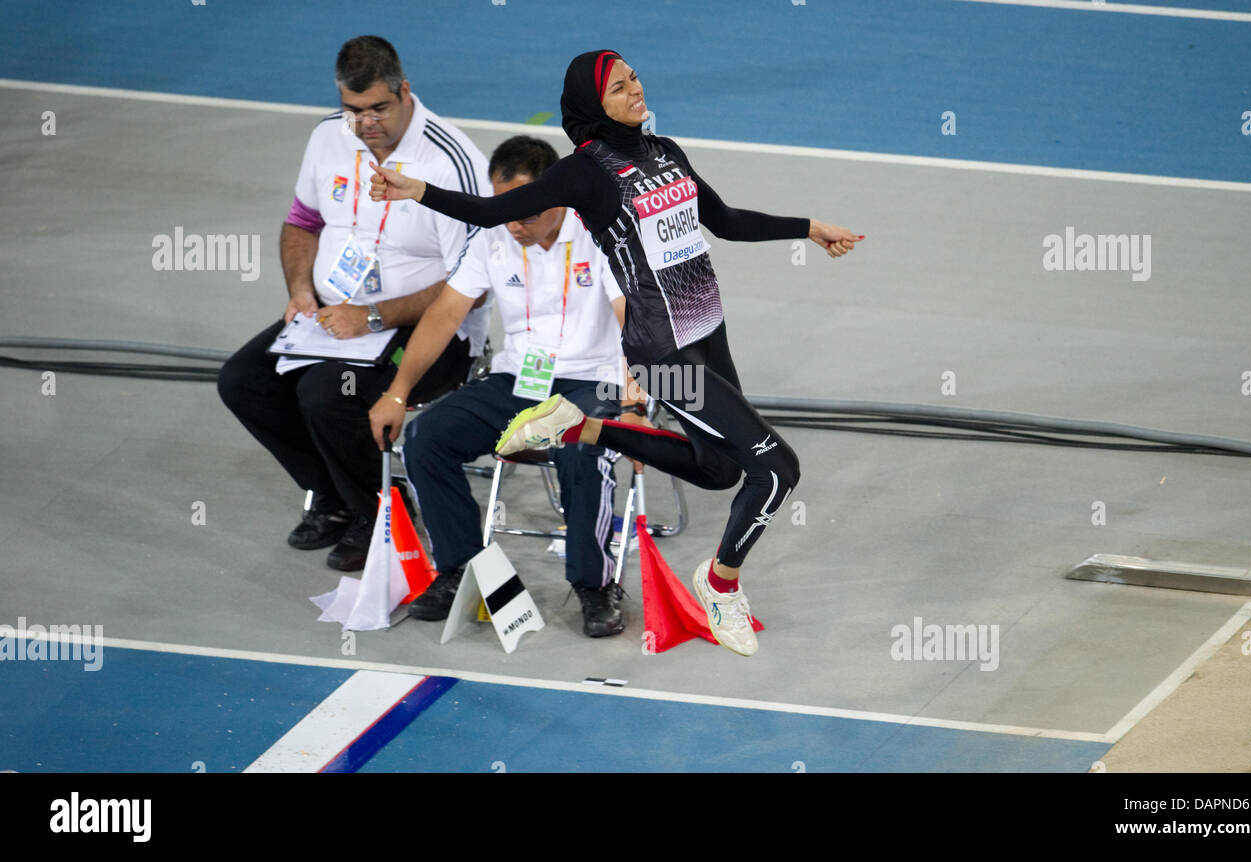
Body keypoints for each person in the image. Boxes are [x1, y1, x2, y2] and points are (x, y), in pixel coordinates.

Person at [368, 50, 861, 656]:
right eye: (620, 85)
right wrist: (414, 188)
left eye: (635, 78)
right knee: (778, 468)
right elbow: (492, 211)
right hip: (660, 351)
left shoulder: (667, 152)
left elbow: (725, 221)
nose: (635, 88)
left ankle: (584, 430)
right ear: (592, 104)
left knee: (721, 469)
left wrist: (808, 227)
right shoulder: (585, 173)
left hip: (706, 330)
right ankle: (720, 583)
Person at [218, 35, 491, 571]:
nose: (366, 123)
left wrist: (372, 317)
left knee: (326, 393)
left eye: (378, 109)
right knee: (243, 381)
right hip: (330, 317)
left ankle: (385, 515)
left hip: (429, 332)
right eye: (353, 110)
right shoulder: (328, 137)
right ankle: (336, 496)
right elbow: (302, 223)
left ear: (404, 91)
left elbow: (473, 283)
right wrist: (300, 288)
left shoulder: (450, 159)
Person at [367, 135, 632, 637]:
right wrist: (397, 393)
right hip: (517, 381)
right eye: (505, 208)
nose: (514, 223)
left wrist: (637, 399)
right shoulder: (492, 238)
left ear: (560, 196)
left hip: (593, 381)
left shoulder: (601, 233)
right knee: (427, 438)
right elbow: (446, 314)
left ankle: (595, 585)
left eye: (526, 211)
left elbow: (632, 322)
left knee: (580, 445)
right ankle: (467, 573)